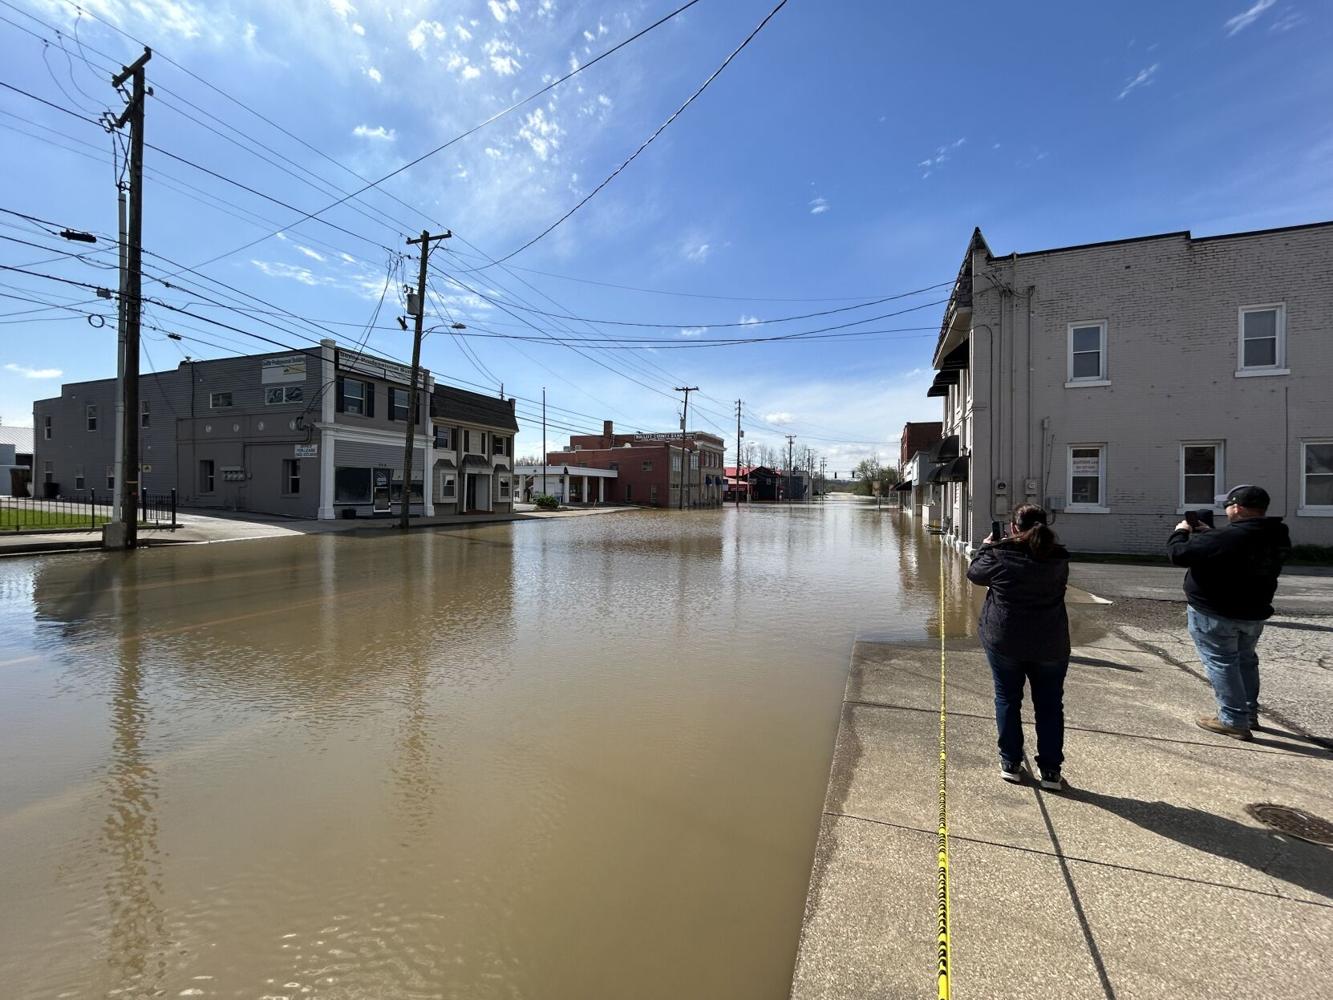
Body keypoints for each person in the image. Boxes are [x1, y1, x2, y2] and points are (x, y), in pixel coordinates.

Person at [1167, 484, 1291, 740]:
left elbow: (1178, 554)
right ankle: (1248, 712)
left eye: (1228, 506)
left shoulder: (1227, 537)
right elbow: (1236, 550)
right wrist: (1211, 534)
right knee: (1245, 661)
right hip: (1253, 611)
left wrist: (1180, 532)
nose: (1226, 511)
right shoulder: (1275, 534)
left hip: (1216, 611)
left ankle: (1234, 719)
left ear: (1238, 508)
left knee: (1222, 662)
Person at [966, 504, 1072, 790]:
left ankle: (1010, 763)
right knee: (1050, 706)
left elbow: (975, 574)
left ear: (1014, 527)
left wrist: (987, 547)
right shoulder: (1059, 558)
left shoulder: (1001, 555)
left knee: (1007, 699)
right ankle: (1051, 771)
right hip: (1050, 643)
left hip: (1006, 641)